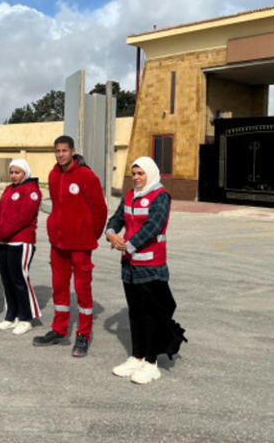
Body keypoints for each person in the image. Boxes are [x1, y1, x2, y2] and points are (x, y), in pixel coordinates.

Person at [105, 156, 187, 384]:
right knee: (136, 312)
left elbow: (153, 226)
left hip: (151, 266)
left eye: (140, 173)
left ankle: (151, 363)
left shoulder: (160, 196)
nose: (136, 178)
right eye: (134, 174)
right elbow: (117, 218)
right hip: (130, 265)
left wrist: (128, 244)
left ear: (150, 173)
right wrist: (111, 233)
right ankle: (137, 356)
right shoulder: (130, 196)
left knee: (152, 314)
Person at [33, 135, 107, 357]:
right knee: (59, 286)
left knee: (83, 289)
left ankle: (83, 334)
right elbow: (57, 206)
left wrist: (90, 235)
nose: (60, 155)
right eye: (57, 151)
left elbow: (100, 210)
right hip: (58, 243)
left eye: (64, 150)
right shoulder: (53, 175)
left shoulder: (86, 176)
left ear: (73, 152)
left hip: (80, 244)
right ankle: (59, 329)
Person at [0, 158, 42, 335]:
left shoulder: (32, 191)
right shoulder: (8, 189)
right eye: (11, 172)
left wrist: (4, 231)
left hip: (20, 241)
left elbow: (23, 217)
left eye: (17, 172)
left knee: (19, 279)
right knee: (7, 279)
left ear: (25, 172)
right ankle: (12, 316)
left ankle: (26, 318)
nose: (13, 176)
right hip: (2, 240)